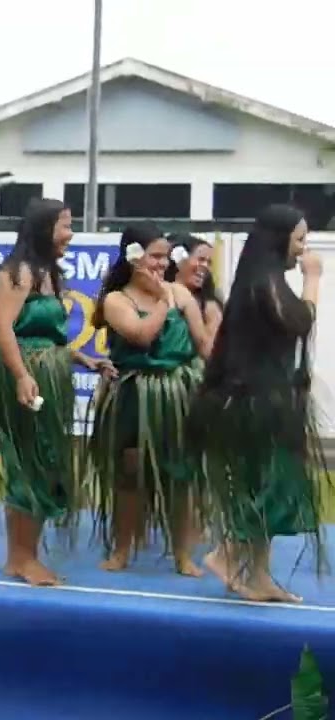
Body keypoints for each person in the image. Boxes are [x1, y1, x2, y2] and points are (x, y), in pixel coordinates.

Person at [189, 204, 326, 603]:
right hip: (254, 404)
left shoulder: (266, 281)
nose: (303, 249)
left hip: (271, 400)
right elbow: (300, 320)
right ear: (277, 239)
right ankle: (227, 554)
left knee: (270, 484)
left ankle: (260, 575)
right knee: (270, 486)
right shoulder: (262, 282)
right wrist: (314, 279)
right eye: (299, 239)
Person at [0, 198, 113, 586]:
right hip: (23, 374)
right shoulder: (17, 272)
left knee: (41, 460)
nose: (70, 234)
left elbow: (45, 335)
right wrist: (22, 375)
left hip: (45, 370)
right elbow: (4, 328)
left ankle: (21, 557)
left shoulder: (49, 273)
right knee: (29, 460)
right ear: (43, 229)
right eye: (64, 226)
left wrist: (82, 359)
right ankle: (23, 559)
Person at [86, 222, 212, 575]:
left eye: (165, 256)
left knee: (182, 474)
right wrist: (160, 300)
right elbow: (141, 336)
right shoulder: (115, 299)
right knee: (129, 472)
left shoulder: (182, 294)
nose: (162, 264)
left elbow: (202, 343)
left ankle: (183, 555)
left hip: (179, 392)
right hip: (134, 394)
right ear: (134, 257)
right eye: (154, 256)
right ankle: (123, 549)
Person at [165, 233, 223, 342]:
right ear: (179, 259)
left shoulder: (210, 305)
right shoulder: (161, 293)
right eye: (201, 259)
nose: (205, 266)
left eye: (209, 262)